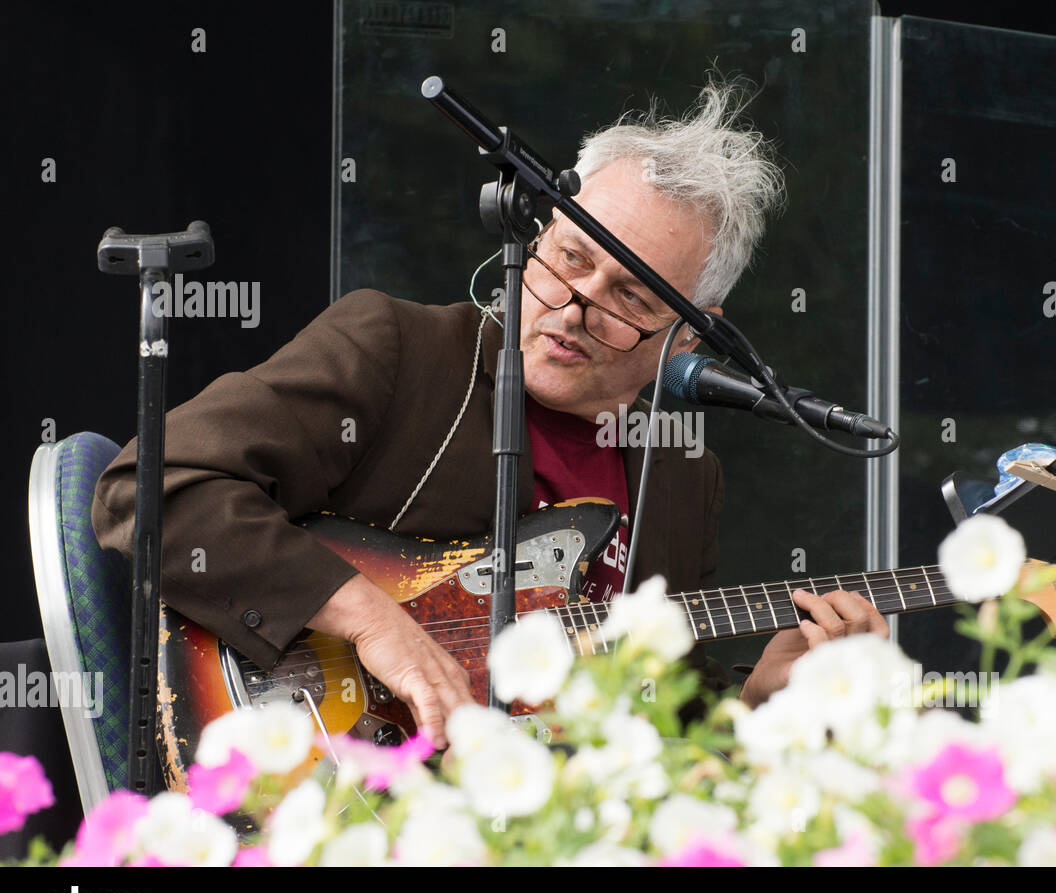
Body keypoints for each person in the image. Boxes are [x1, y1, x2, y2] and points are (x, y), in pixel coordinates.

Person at [91, 77, 888, 751]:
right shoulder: (395, 350)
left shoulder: (681, 474)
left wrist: (759, 699)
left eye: (630, 298)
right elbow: (149, 487)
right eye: (572, 257)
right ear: (539, 231)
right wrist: (372, 619)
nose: (574, 308)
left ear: (690, 329)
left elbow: (656, 708)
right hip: (315, 770)